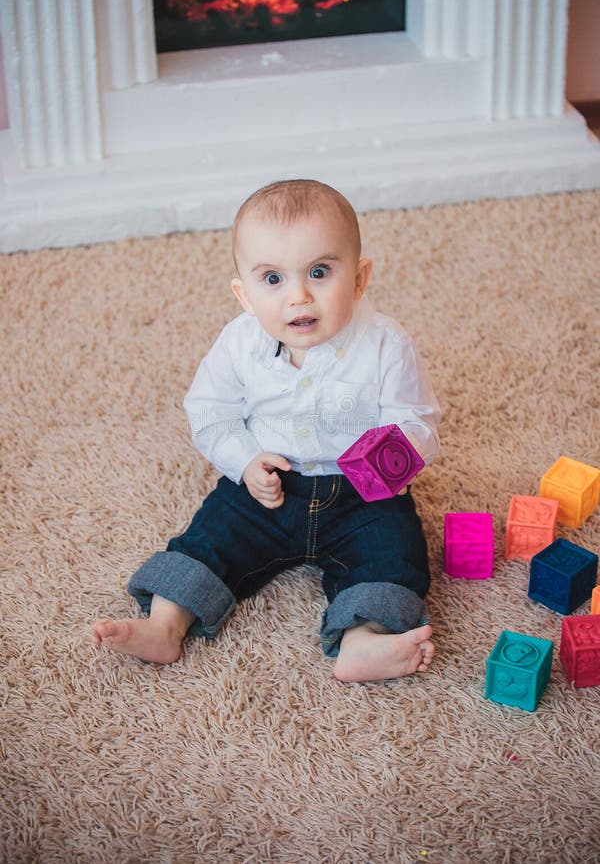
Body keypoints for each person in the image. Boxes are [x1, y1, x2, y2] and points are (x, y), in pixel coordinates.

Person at [92, 179, 441, 682]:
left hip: (363, 497)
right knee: (211, 535)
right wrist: (245, 461)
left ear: (359, 279)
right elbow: (211, 411)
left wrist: (393, 461)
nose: (299, 296)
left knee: (394, 553)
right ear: (245, 295)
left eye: (319, 272)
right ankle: (165, 624)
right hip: (267, 487)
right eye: (273, 279)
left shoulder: (386, 343)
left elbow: (417, 418)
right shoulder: (239, 344)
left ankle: (364, 639)